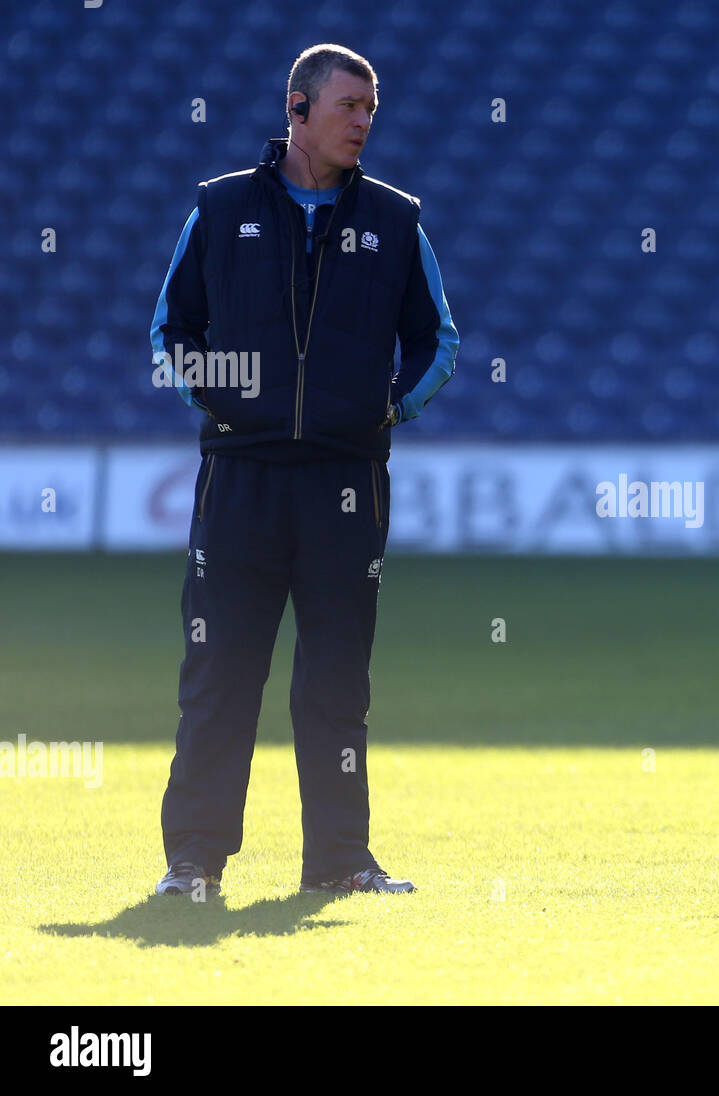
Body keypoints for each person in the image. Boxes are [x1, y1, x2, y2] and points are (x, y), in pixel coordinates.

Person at [149, 43, 458, 896]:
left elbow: (440, 340)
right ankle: (193, 863)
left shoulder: (396, 221)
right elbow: (171, 333)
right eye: (348, 105)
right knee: (219, 677)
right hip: (240, 484)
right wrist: (225, 404)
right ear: (298, 109)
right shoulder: (219, 210)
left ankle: (338, 862)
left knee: (335, 685)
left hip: (344, 485)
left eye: (371, 108)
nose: (364, 120)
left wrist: (386, 409)